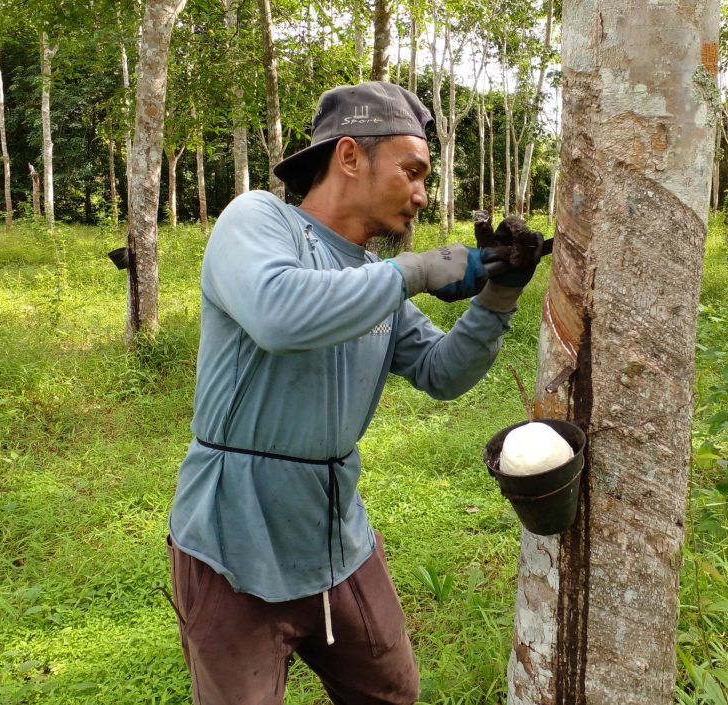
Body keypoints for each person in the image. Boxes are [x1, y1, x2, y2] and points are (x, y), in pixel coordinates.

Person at [166, 81, 539, 705]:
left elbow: (443, 372)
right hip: (234, 540)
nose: (422, 194)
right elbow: (278, 314)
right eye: (412, 171)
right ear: (348, 157)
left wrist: (498, 296)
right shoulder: (257, 220)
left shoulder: (373, 278)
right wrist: (416, 270)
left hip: (337, 537)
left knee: (392, 692)